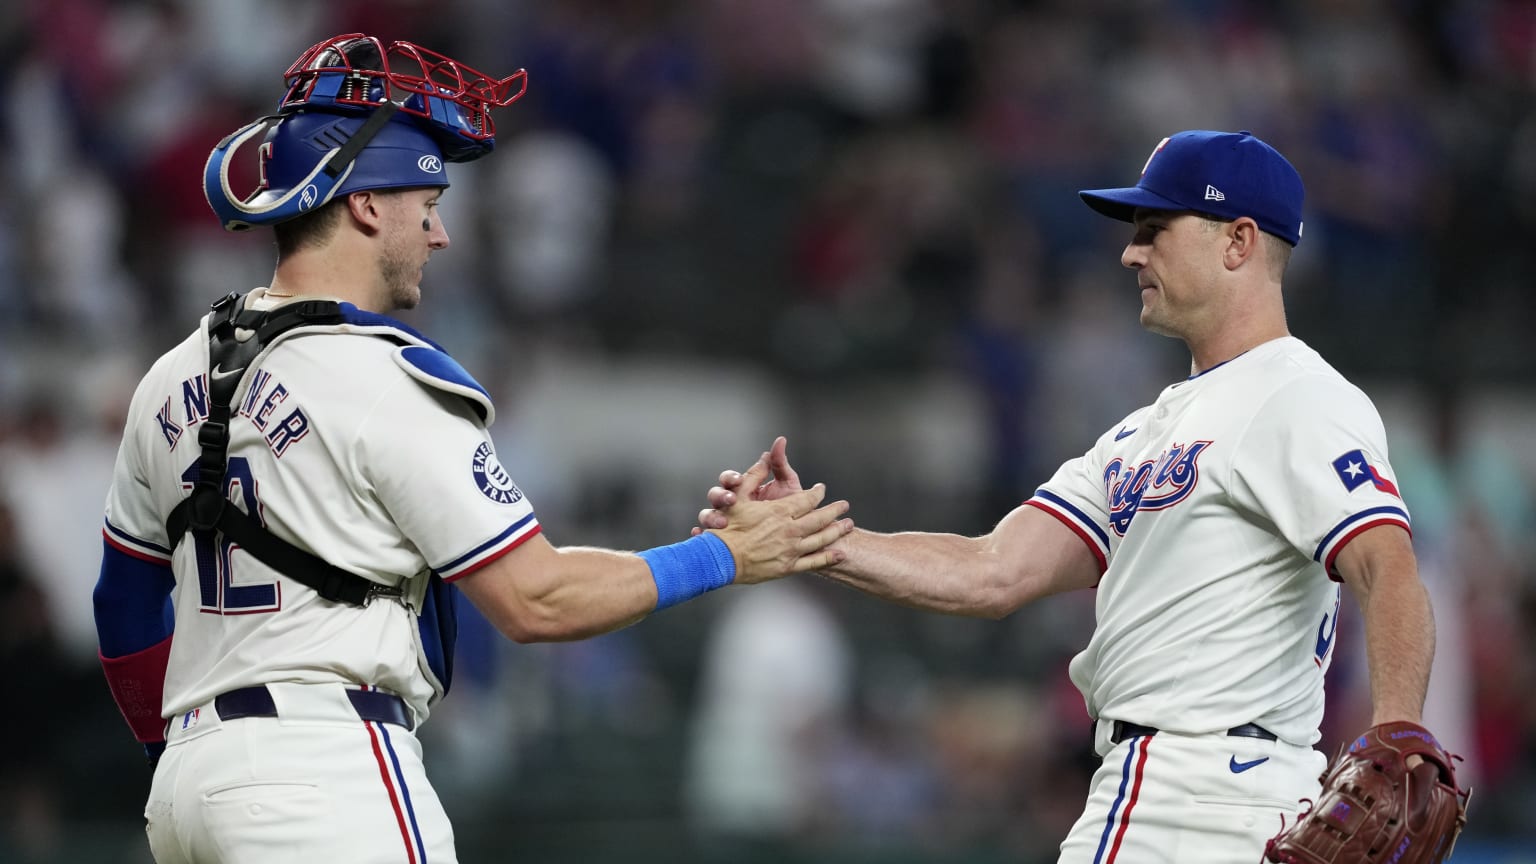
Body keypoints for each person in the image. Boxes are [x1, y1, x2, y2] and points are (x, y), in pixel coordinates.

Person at [93, 33, 851, 864]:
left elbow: (123, 611)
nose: (441, 234)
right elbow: (538, 600)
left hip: (187, 791)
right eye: (428, 205)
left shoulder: (171, 374)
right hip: (326, 770)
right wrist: (723, 556)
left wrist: (183, 760)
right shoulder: (387, 378)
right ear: (368, 206)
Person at [700, 130, 1441, 862]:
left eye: (1156, 229)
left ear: (1239, 241)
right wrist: (808, 538)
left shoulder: (1297, 395)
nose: (1131, 252)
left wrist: (1398, 727)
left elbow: (1387, 565)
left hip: (1191, 790)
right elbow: (994, 570)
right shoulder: (1139, 435)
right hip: (1186, 793)